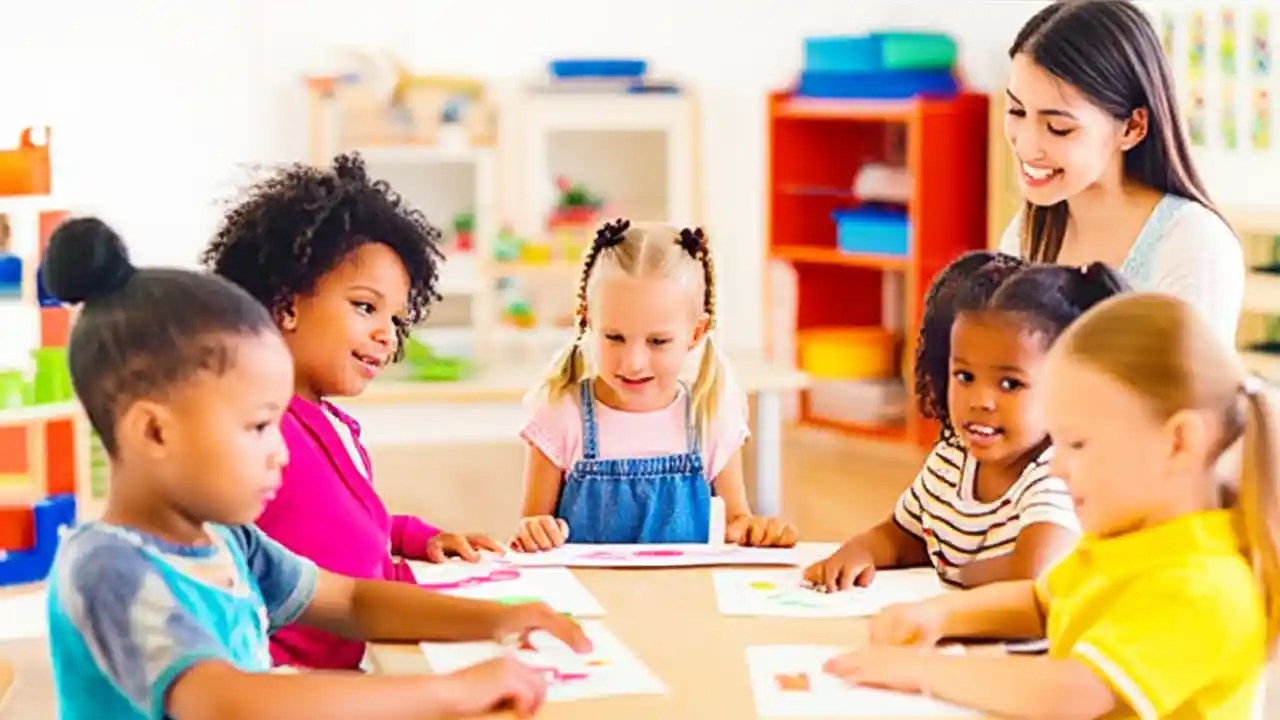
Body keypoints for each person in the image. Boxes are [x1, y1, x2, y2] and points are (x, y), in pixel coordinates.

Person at [44, 218, 589, 720]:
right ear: (154, 432)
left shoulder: (230, 540)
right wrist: (452, 691)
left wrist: (497, 618)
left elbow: (352, 600)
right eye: (258, 426)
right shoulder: (106, 567)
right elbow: (225, 701)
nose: (280, 451)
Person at [824, 292, 1277, 719]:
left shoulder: (1200, 585)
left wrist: (924, 672)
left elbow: (1071, 692)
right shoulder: (1128, 541)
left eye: (1077, 444)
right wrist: (938, 614)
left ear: (1179, 442)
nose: (1057, 468)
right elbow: (1042, 603)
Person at [203, 153, 502, 670]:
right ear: (286, 304)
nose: (387, 335)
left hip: (357, 662)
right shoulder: (263, 428)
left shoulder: (332, 424)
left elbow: (345, 524)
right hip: (290, 681)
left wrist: (418, 537)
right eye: (366, 307)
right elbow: (337, 568)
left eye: (396, 320)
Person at [805, 251, 1128, 591]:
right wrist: (862, 550)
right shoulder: (952, 458)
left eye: (1010, 384)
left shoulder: (1056, 476)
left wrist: (955, 573)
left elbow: (1033, 574)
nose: (979, 401)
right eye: (964, 376)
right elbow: (906, 535)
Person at [513, 219, 797, 550]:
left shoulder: (710, 418)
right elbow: (531, 532)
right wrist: (534, 532)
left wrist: (758, 531)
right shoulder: (561, 416)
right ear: (588, 320)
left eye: (658, 341)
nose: (633, 362)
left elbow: (738, 525)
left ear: (696, 333)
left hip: (686, 586)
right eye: (614, 337)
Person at [998, 0, 1243, 346]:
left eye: (1058, 128)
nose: (1026, 145)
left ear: (1132, 127)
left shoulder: (1192, 244)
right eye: (1016, 111)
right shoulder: (1025, 235)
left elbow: (1193, 380)